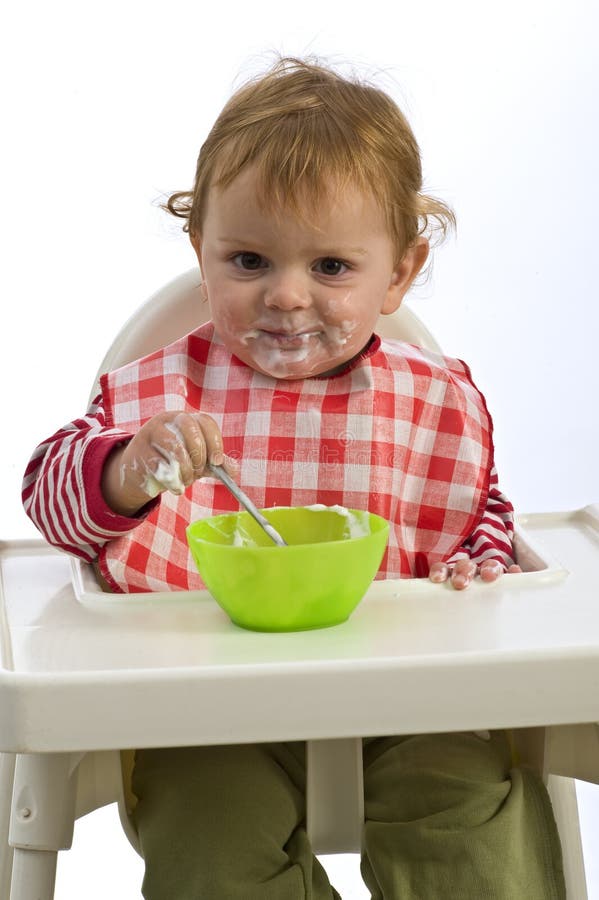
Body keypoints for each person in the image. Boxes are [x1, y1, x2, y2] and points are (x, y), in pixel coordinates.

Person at [22, 57, 564, 899]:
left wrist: (478, 563)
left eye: (331, 268)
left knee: (467, 817)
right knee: (210, 845)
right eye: (248, 260)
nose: (284, 294)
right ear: (200, 253)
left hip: (412, 700)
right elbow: (49, 498)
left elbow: (473, 514)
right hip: (210, 714)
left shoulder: (424, 401)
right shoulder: (159, 401)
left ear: (400, 272)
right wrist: (129, 468)